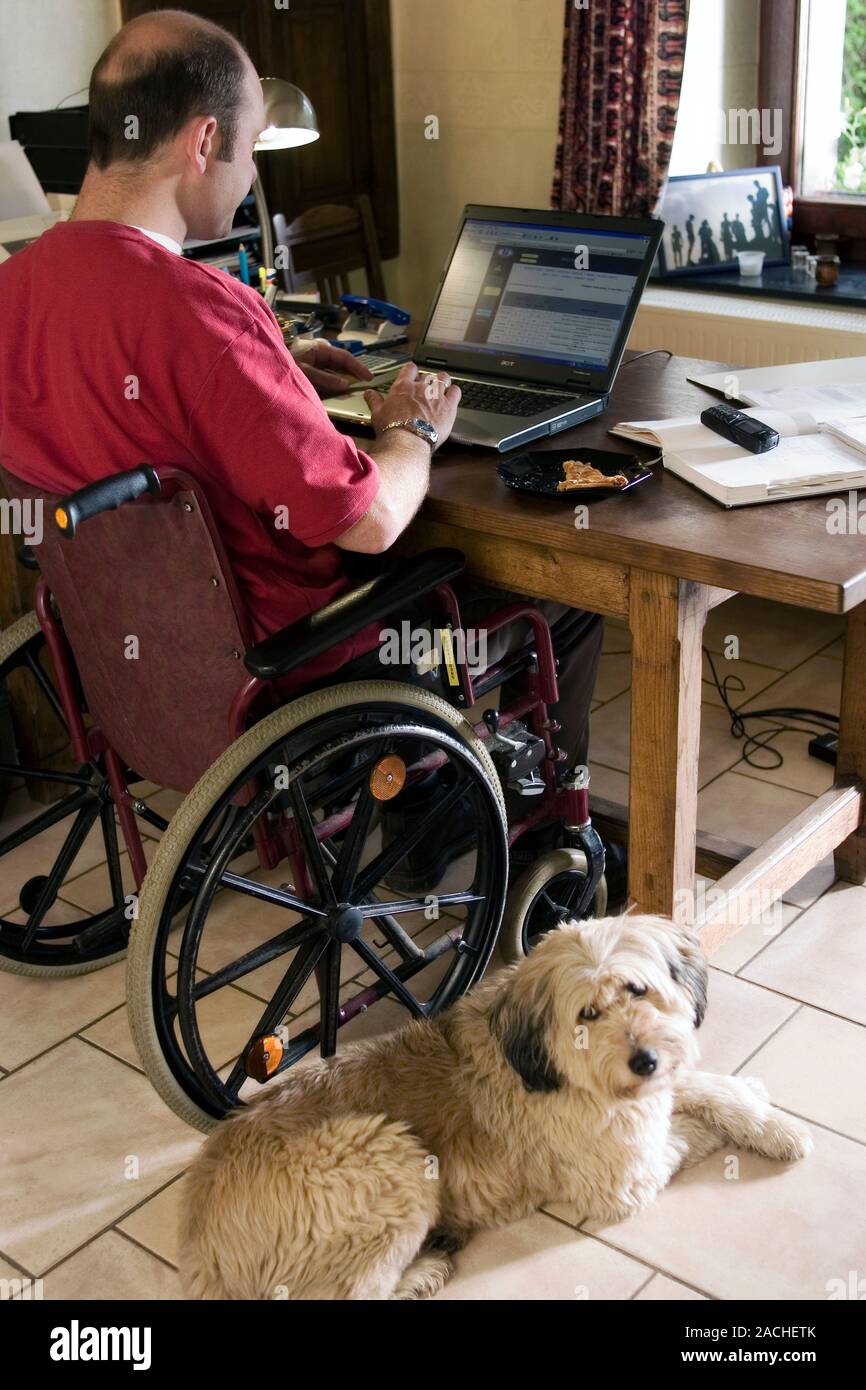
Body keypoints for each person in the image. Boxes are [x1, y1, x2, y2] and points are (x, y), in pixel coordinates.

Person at [0, 9, 602, 875]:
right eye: (248, 152)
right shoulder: (198, 308)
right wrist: (416, 430)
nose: (249, 179)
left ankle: (430, 809)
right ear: (203, 141)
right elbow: (365, 520)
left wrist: (271, 372)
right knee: (562, 597)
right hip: (289, 665)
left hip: (132, 665)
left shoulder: (19, 288)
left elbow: (127, 432)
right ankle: (520, 838)